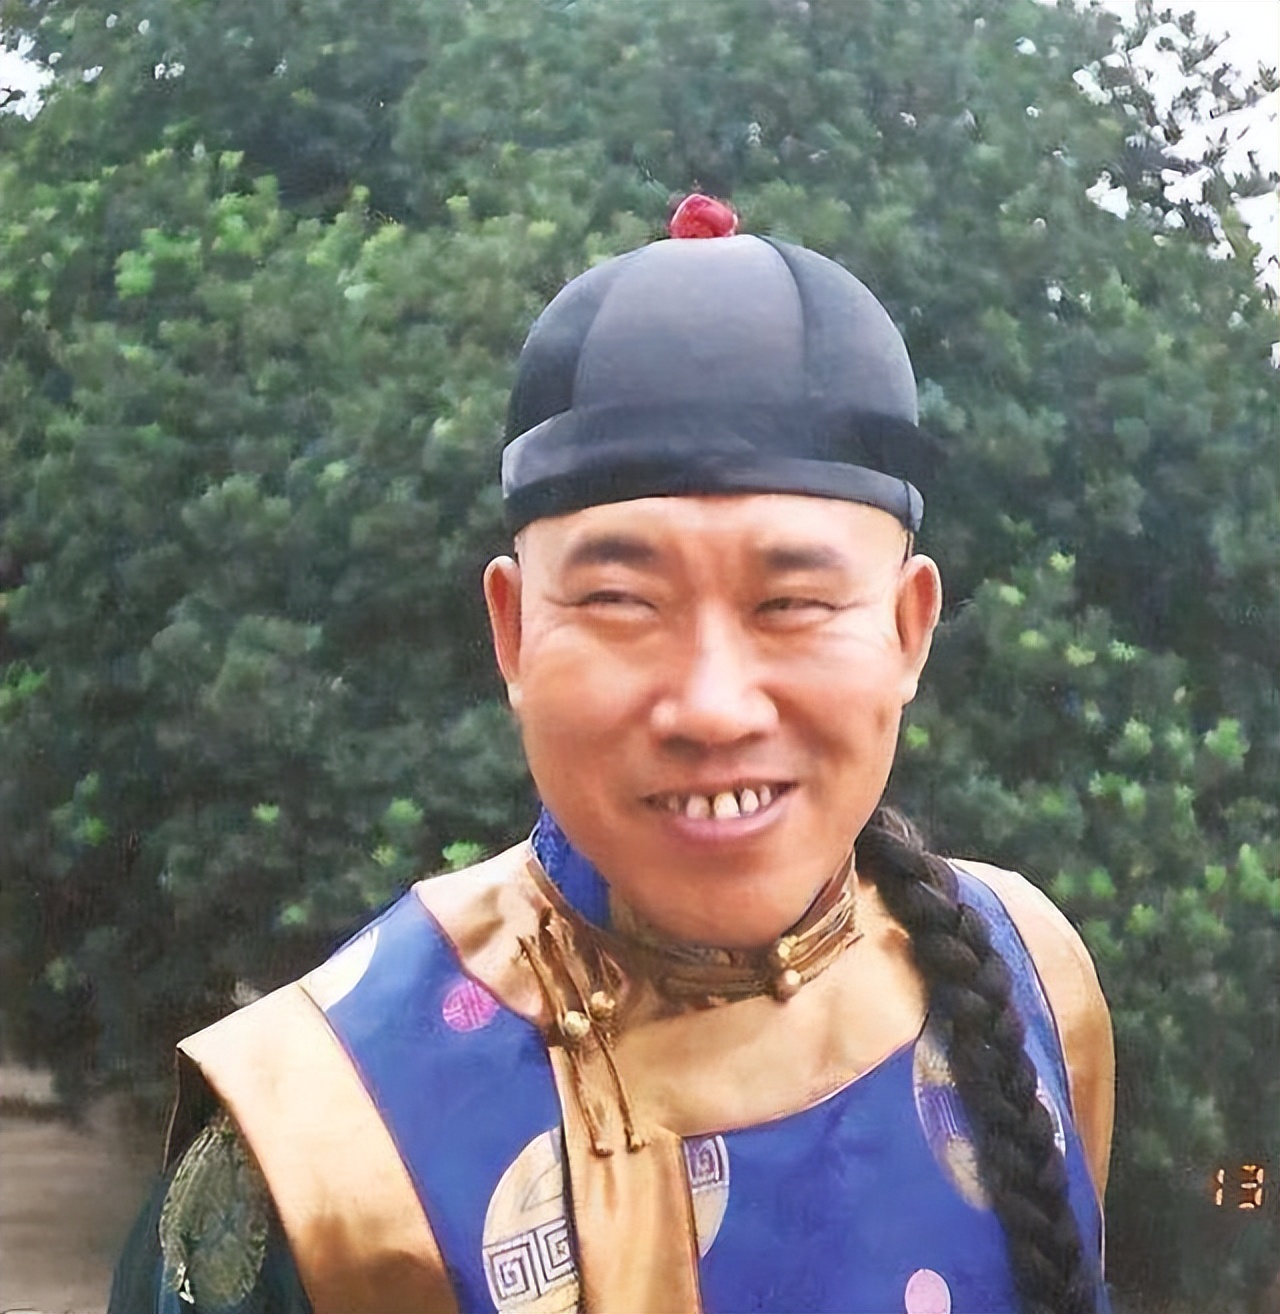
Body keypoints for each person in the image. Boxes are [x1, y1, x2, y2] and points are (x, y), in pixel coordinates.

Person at [111, 194, 1114, 1314]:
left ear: (906, 629)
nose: (710, 704)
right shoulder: (318, 1147)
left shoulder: (1027, 975)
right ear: (512, 631)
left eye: (790, 601)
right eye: (619, 600)